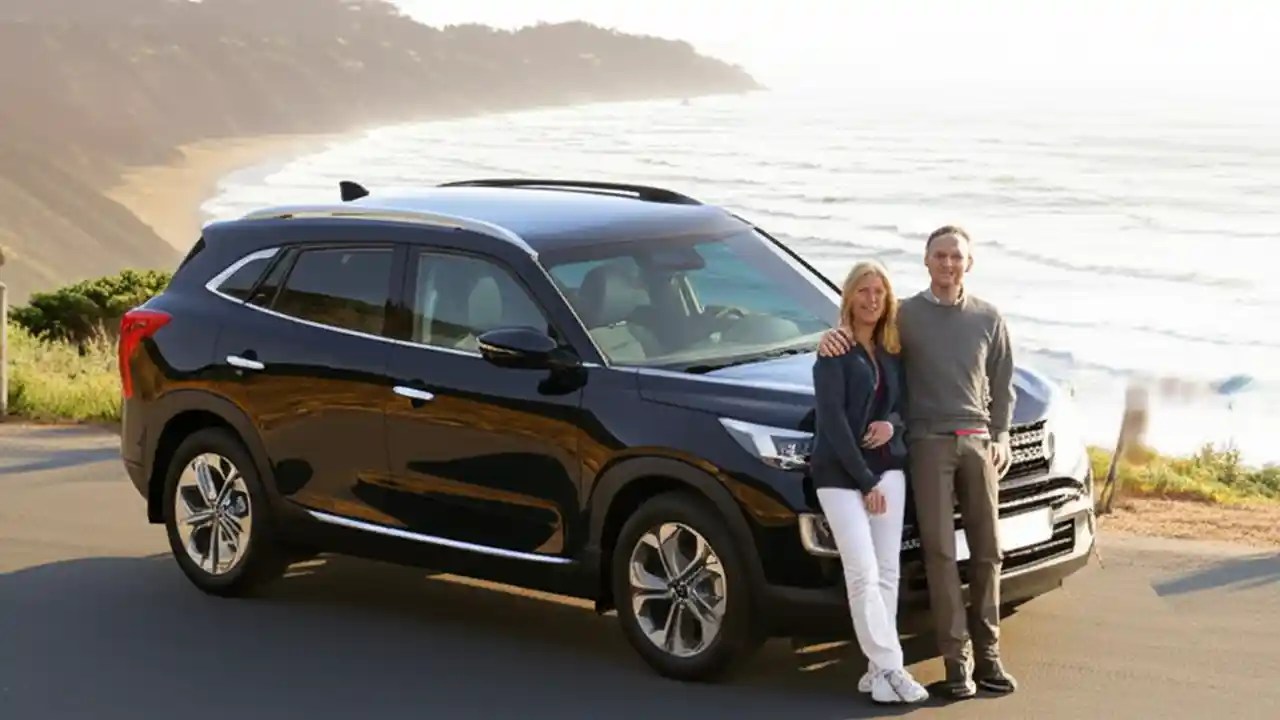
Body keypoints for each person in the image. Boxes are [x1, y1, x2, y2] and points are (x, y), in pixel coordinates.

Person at [818, 225, 1018, 699]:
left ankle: (989, 655)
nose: (948, 264)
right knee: (941, 553)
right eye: (940, 256)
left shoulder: (989, 317)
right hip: (927, 443)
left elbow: (1003, 381)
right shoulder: (903, 316)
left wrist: (1004, 434)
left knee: (988, 550)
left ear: (969, 264)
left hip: (977, 441)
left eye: (956, 257)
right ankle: (957, 662)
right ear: (926, 262)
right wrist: (828, 337)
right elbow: (863, 337)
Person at [809, 259, 929, 705]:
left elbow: (904, 407)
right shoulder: (833, 352)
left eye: (879, 292)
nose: (872, 299)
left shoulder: (892, 351)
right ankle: (894, 667)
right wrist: (864, 481)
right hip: (841, 476)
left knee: (887, 574)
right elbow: (834, 425)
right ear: (849, 296)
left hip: (888, 470)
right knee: (861, 572)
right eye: (863, 291)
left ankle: (878, 673)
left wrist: (892, 426)